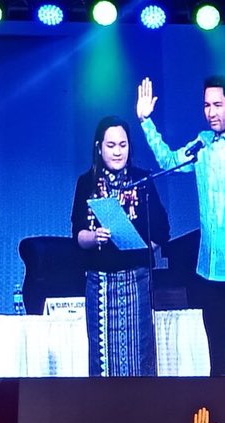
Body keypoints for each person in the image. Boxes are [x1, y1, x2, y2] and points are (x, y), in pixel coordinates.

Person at [136, 76, 225, 376]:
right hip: (209, 272)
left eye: (217, 104)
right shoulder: (202, 144)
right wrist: (145, 122)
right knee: (218, 360)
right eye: (206, 105)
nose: (211, 111)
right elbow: (168, 161)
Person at [72, 116, 170, 377]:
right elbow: (77, 235)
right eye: (111, 145)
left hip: (137, 281)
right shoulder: (86, 183)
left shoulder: (143, 180)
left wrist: (138, 245)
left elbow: (162, 231)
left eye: (123, 145)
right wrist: (95, 237)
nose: (117, 151)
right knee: (101, 360)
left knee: (141, 355)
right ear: (99, 147)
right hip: (100, 284)